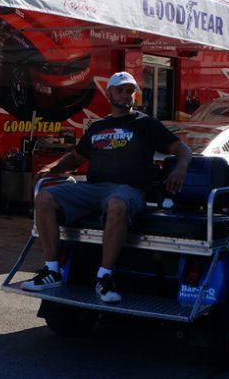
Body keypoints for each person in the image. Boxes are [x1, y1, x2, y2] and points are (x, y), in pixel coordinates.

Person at [22, 71, 193, 302]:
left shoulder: (146, 124)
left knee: (116, 203)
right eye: (121, 90)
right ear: (109, 92)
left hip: (128, 191)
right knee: (44, 197)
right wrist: (50, 170)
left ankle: (104, 277)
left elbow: (183, 150)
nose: (126, 95)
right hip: (94, 189)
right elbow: (75, 158)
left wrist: (180, 168)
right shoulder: (97, 127)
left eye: (130, 91)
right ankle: (52, 270)